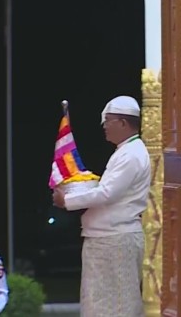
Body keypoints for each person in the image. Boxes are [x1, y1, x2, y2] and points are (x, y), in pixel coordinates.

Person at [52, 95, 151, 317]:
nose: (104, 126)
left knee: (118, 306)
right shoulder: (126, 151)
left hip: (115, 240)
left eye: (108, 121)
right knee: (100, 304)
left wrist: (67, 201)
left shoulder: (131, 154)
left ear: (123, 123)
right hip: (107, 238)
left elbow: (108, 193)